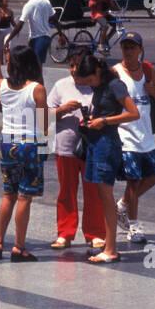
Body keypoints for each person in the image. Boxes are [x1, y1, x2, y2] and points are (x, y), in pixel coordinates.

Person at [75, 52, 138, 264]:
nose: (89, 84)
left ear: (98, 71)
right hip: (96, 140)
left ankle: (111, 249)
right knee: (102, 196)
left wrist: (104, 121)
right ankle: (108, 244)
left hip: (107, 142)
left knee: (106, 196)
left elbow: (133, 113)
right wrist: (93, 120)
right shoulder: (99, 85)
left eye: (90, 79)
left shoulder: (115, 85)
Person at [0, 45, 48, 262]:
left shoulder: (1, 85)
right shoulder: (37, 89)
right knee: (24, 198)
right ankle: (19, 246)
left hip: (7, 143)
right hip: (29, 144)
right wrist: (45, 150)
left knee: (8, 194)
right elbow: (44, 124)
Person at [46, 47, 105, 250]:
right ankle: (65, 232)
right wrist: (61, 111)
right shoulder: (61, 86)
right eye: (70, 65)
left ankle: (95, 233)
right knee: (66, 191)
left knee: (94, 192)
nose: (73, 70)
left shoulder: (98, 86)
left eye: (77, 66)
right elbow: (43, 116)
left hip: (92, 147)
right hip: (66, 147)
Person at [113, 33, 155, 246]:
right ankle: (134, 227)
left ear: (140, 49)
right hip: (126, 135)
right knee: (133, 182)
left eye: (132, 47)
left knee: (151, 179)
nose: (128, 51)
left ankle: (122, 204)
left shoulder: (148, 70)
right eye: (125, 47)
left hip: (146, 134)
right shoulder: (115, 72)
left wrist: (153, 92)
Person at [4, 0, 58, 66]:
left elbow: (20, 25)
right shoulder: (46, 1)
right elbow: (54, 19)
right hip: (41, 38)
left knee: (37, 69)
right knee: (32, 67)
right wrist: (60, 33)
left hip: (39, 39)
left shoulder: (29, 5)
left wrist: (8, 39)